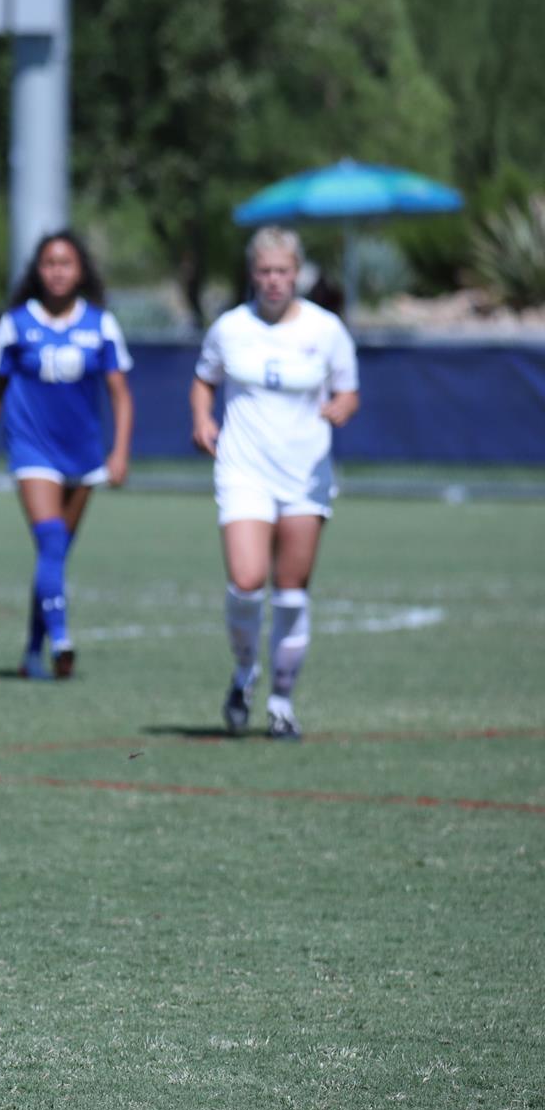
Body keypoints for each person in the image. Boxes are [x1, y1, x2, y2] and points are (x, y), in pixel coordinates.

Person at [190, 227, 359, 740]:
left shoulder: (327, 330)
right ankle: (245, 674)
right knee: (245, 580)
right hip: (244, 469)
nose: (273, 280)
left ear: (297, 273)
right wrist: (202, 419)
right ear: (252, 274)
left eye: (283, 271)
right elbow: (205, 379)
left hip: (305, 476)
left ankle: (282, 701)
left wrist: (339, 408)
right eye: (264, 271)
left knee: (290, 592)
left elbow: (349, 391)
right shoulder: (230, 327)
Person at [0, 231, 135, 679]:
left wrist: (119, 453)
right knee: (51, 542)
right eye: (48, 263)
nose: (57, 271)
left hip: (82, 455)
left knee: (53, 557)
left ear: (80, 270)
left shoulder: (100, 325)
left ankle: (30, 651)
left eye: (65, 263)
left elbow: (120, 395)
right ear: (37, 271)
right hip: (31, 449)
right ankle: (61, 639)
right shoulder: (16, 324)